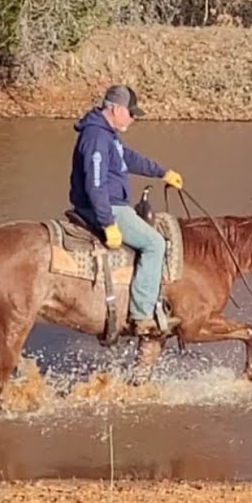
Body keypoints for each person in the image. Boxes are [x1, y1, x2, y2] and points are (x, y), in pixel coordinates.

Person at [69, 84, 184, 337]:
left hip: (111, 203)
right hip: (106, 206)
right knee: (155, 243)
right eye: (131, 113)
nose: (133, 118)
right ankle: (142, 316)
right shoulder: (96, 137)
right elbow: (95, 183)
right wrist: (107, 222)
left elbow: (128, 158)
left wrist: (161, 172)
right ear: (116, 109)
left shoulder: (108, 135)